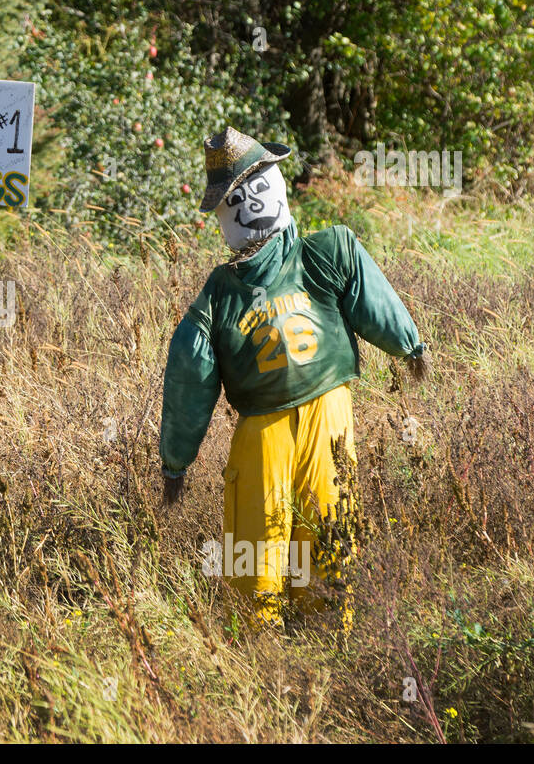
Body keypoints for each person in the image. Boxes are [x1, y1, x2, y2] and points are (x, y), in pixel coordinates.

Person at [160, 127, 427, 630]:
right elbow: (375, 303)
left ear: (224, 212)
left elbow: (189, 375)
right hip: (331, 416)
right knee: (330, 530)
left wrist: (176, 463)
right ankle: (330, 635)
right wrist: (410, 346)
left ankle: (258, 650)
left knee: (256, 548)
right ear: (276, 185)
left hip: (262, 434)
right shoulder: (329, 251)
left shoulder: (218, 295)